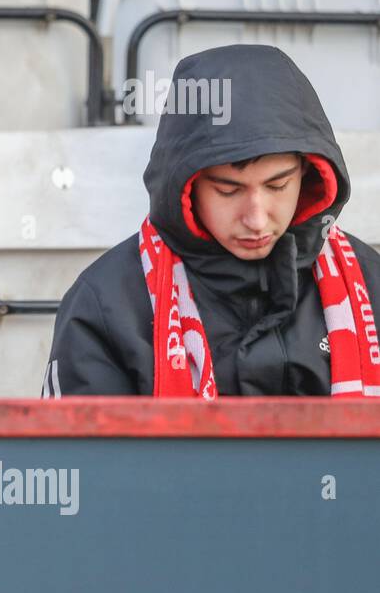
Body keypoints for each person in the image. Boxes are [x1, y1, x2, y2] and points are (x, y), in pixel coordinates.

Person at [43, 44, 380, 398]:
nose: (256, 217)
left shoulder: (372, 286)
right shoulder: (107, 304)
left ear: (309, 175)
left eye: (278, 185)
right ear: (186, 186)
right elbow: (79, 453)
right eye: (228, 190)